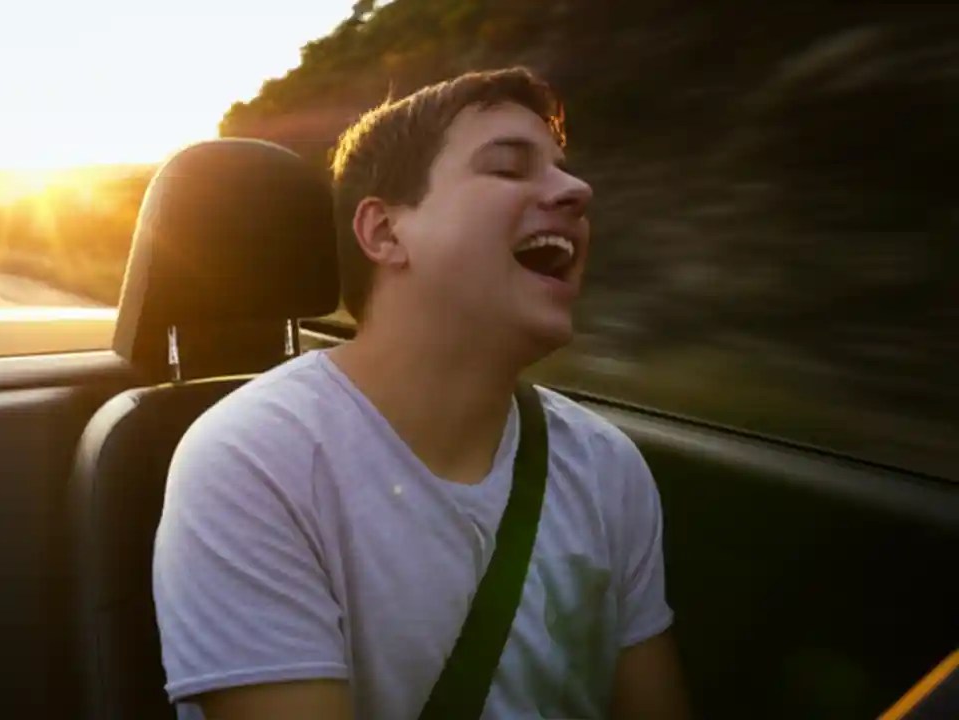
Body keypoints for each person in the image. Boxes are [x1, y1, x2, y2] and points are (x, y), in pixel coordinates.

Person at [152, 66, 691, 720]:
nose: (578, 190)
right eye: (508, 168)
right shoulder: (253, 462)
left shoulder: (607, 468)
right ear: (384, 232)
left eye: (561, 168)